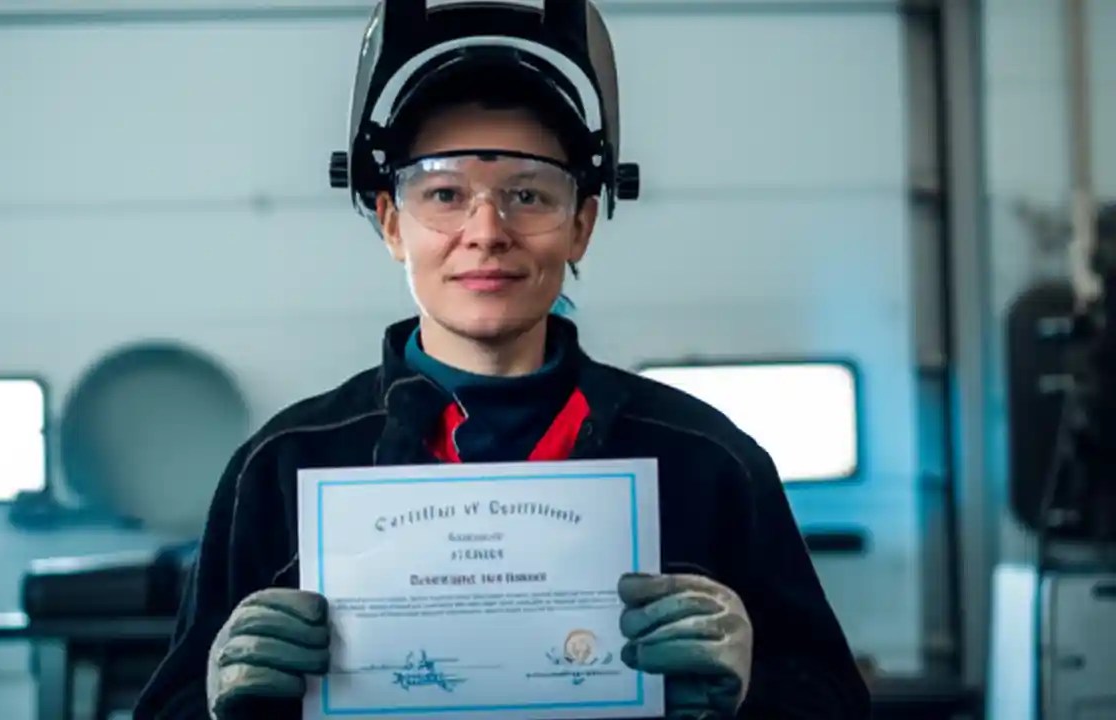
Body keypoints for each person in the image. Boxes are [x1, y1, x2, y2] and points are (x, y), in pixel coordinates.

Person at [133, 1, 870, 718]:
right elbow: (169, 706)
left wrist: (752, 691)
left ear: (582, 224)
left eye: (529, 194)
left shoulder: (706, 460)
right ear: (390, 224)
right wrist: (217, 701)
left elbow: (835, 700)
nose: (487, 231)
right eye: (444, 193)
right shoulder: (283, 466)